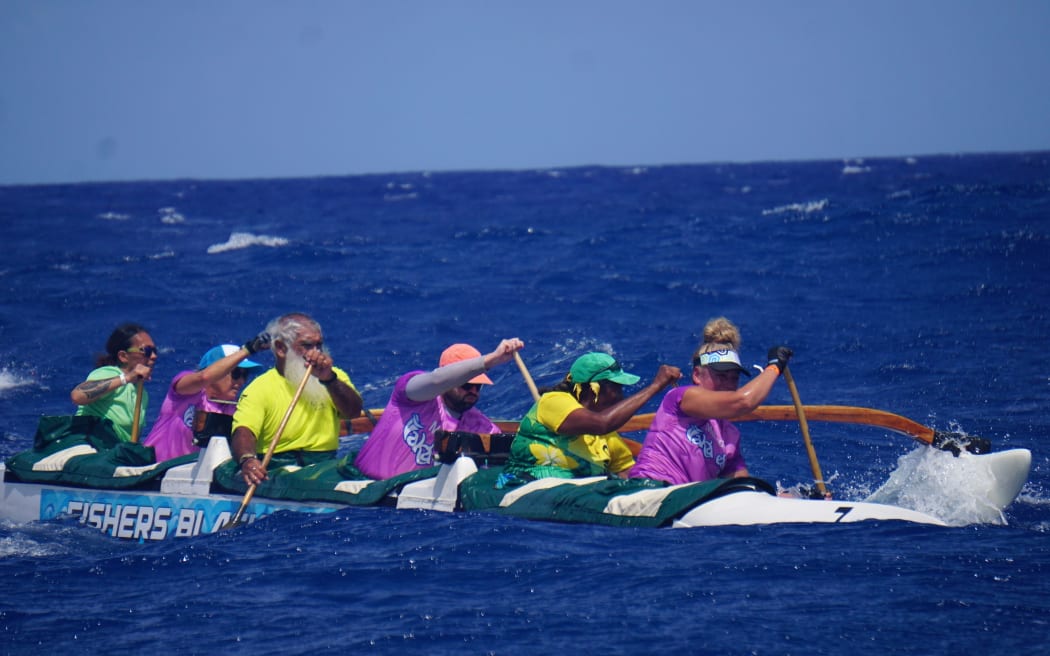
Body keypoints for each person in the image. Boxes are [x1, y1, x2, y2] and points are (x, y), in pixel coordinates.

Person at [629, 317, 792, 485]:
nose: (728, 384)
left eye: (733, 378)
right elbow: (743, 402)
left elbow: (744, 485)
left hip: (685, 500)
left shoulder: (729, 437)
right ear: (697, 375)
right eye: (721, 376)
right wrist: (774, 367)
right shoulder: (681, 398)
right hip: (648, 488)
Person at [354, 339, 525, 480]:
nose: (473, 391)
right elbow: (437, 380)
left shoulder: (483, 427)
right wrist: (492, 359)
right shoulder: (411, 395)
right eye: (467, 385)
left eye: (478, 386)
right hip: (365, 487)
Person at [502, 352, 681, 481]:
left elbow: (628, 473)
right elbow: (601, 424)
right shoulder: (553, 402)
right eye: (616, 388)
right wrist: (656, 386)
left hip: (580, 495)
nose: (621, 396)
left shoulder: (607, 436)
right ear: (593, 388)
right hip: (527, 483)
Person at [232, 313, 364, 486]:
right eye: (307, 346)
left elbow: (353, 412)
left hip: (324, 466)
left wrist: (329, 379)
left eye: (319, 345)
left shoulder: (335, 377)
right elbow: (243, 431)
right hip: (279, 468)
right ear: (280, 348)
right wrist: (248, 460)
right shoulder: (259, 388)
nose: (316, 353)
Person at [143, 334, 270, 461]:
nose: (241, 381)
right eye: (236, 374)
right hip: (156, 470)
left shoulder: (236, 409)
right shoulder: (185, 390)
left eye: (245, 375)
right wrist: (247, 350)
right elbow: (204, 377)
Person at [70, 322, 158, 442]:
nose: (153, 356)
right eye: (146, 351)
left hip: (113, 454)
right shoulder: (109, 373)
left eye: (155, 350)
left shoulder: (142, 394)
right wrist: (126, 378)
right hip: (87, 446)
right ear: (123, 356)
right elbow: (77, 396)